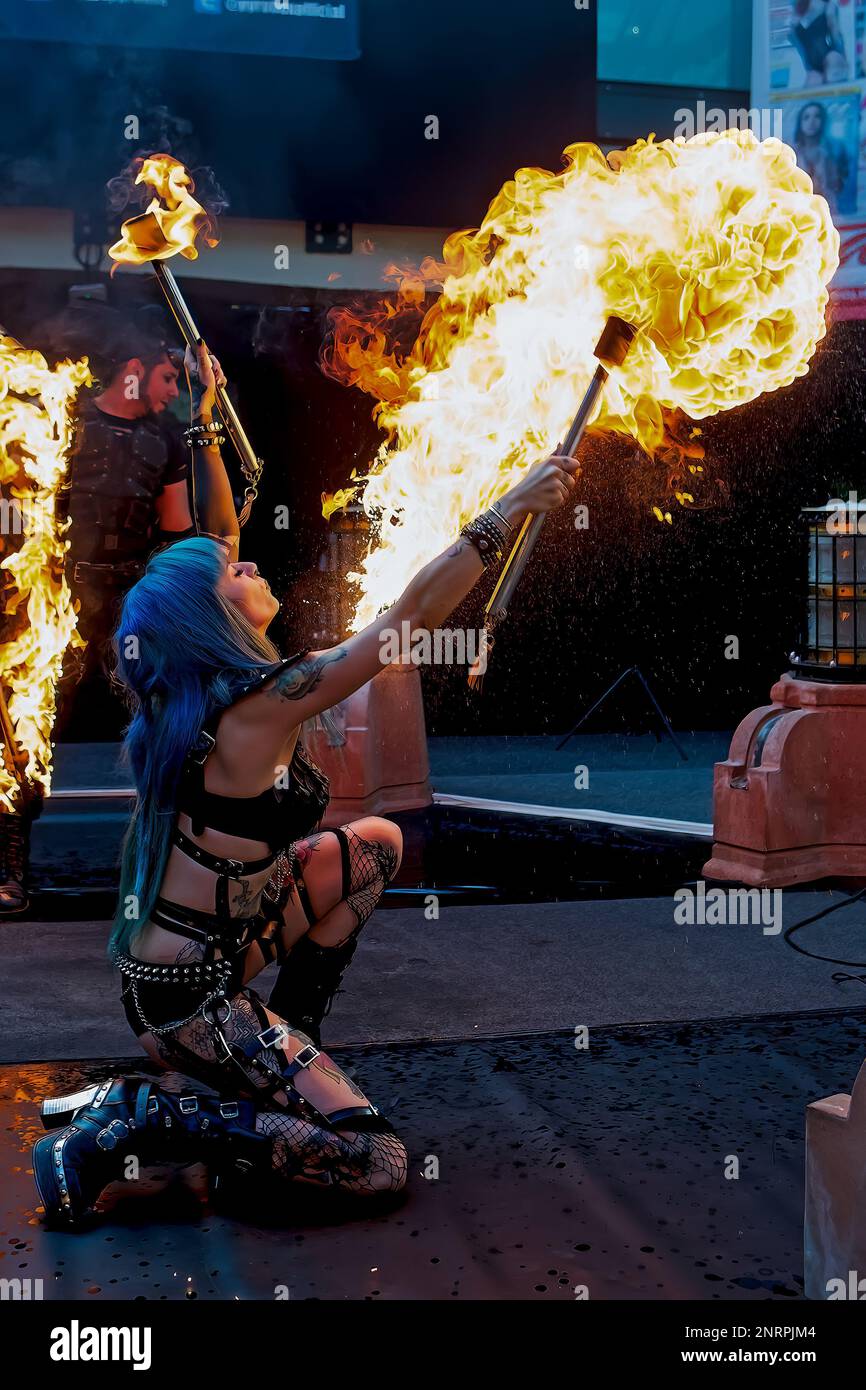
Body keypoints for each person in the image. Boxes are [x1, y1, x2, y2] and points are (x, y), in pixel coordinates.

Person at [31, 446, 580, 1226]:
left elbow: (219, 533)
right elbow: (408, 623)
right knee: (375, 1163)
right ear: (209, 616)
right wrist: (509, 509)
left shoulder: (200, 697)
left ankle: (288, 1049)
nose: (249, 564)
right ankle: (142, 1114)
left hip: (206, 958)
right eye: (234, 574)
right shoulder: (254, 707)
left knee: (375, 846)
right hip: (190, 1003)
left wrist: (206, 428)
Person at [0, 310, 239, 915]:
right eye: (166, 378)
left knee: (170, 720)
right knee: (23, 730)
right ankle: (8, 861)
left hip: (129, 601)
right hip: (54, 596)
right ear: (135, 370)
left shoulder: (165, 441)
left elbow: (178, 533)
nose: (170, 391)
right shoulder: (67, 418)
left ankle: (177, 866)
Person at [793, 100, 851, 216]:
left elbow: (840, 184)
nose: (811, 122)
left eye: (817, 116)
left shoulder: (834, 150)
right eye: (806, 117)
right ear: (800, 122)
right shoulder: (790, 152)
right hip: (797, 213)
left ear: (823, 121)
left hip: (829, 212)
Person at [790, 1, 849, 85]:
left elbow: (836, 35)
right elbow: (800, 47)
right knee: (814, 81)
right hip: (813, 63)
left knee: (833, 65)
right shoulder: (797, 10)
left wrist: (841, 56)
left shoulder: (828, 7)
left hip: (829, 55)